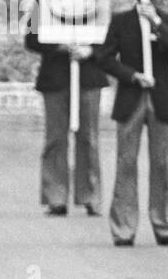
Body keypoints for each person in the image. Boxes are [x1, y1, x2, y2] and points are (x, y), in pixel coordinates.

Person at [94, 0, 168, 247]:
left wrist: (156, 22)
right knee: (126, 162)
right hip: (131, 98)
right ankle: (123, 228)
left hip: (162, 99)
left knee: (162, 163)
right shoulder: (121, 21)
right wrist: (132, 75)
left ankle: (165, 225)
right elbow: (105, 57)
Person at [24, 26, 107, 217]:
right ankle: (56, 198)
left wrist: (90, 51)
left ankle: (91, 196)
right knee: (55, 138)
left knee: (89, 138)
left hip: (89, 78)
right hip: (55, 79)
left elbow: (110, 39)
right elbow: (31, 38)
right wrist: (60, 46)